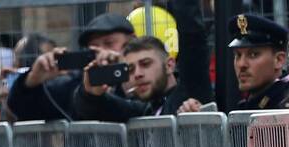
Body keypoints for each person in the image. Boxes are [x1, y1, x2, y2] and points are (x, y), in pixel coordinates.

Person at [72, 0, 212, 121]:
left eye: (146, 64)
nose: (137, 74)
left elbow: (193, 39)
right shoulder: (143, 111)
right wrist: (89, 92)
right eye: (130, 69)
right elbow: (93, 108)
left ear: (169, 65)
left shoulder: (188, 92)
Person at [6, 12, 135, 120]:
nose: (101, 51)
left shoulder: (142, 75)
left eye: (109, 43)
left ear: (131, 42)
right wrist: (32, 80)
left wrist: (125, 70)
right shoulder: (73, 84)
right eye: (94, 47)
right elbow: (22, 110)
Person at [180, 13, 289, 112]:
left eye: (253, 55)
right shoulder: (254, 101)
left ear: (279, 60)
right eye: (238, 55)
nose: (241, 64)